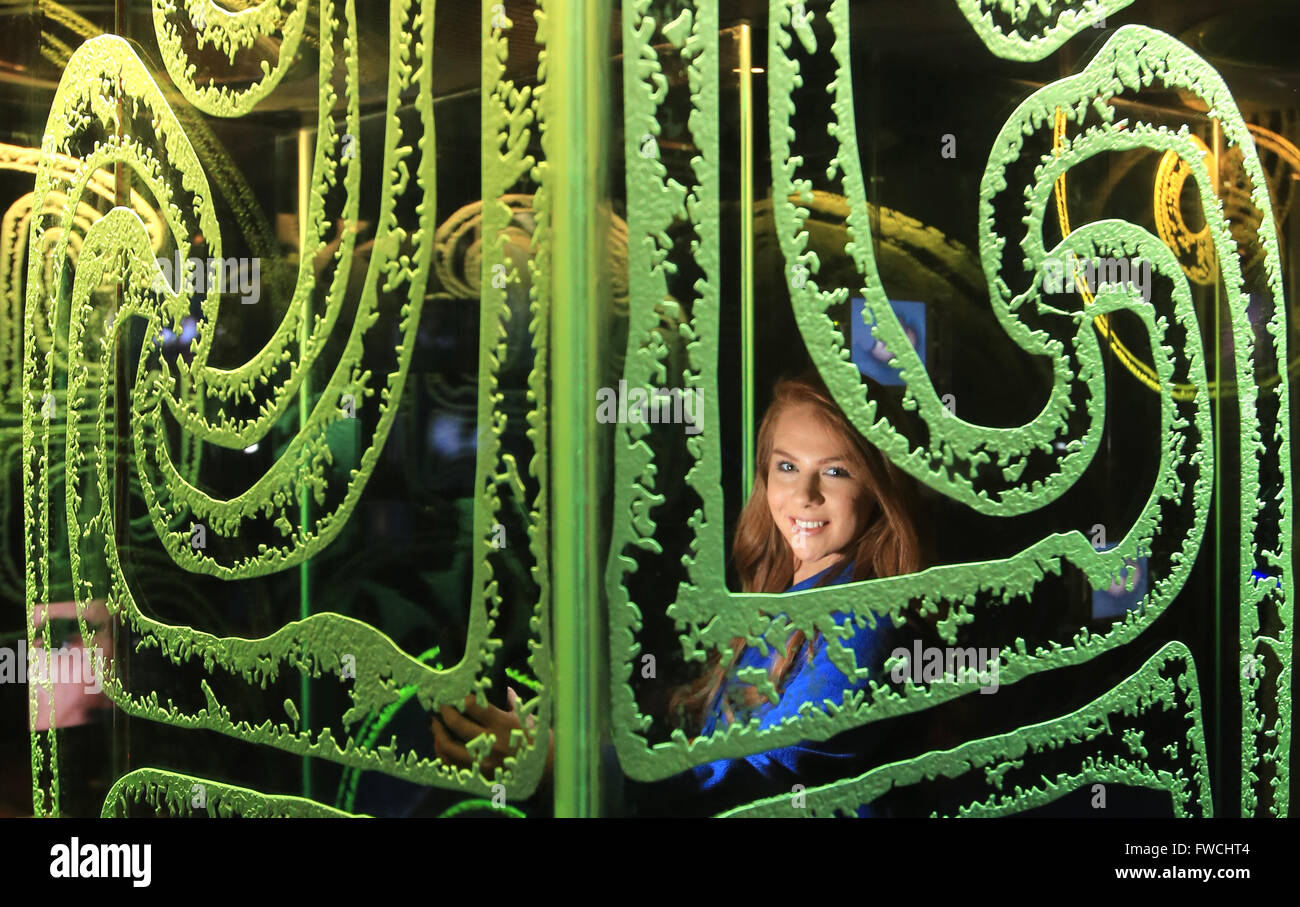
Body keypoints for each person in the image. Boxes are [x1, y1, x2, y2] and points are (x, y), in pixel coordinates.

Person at [431, 371, 926, 810]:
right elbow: (708, 746)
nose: (805, 494)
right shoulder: (781, 597)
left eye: (836, 471)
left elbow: (754, 783)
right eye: (787, 466)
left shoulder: (865, 619)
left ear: (880, 484)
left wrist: (568, 765)